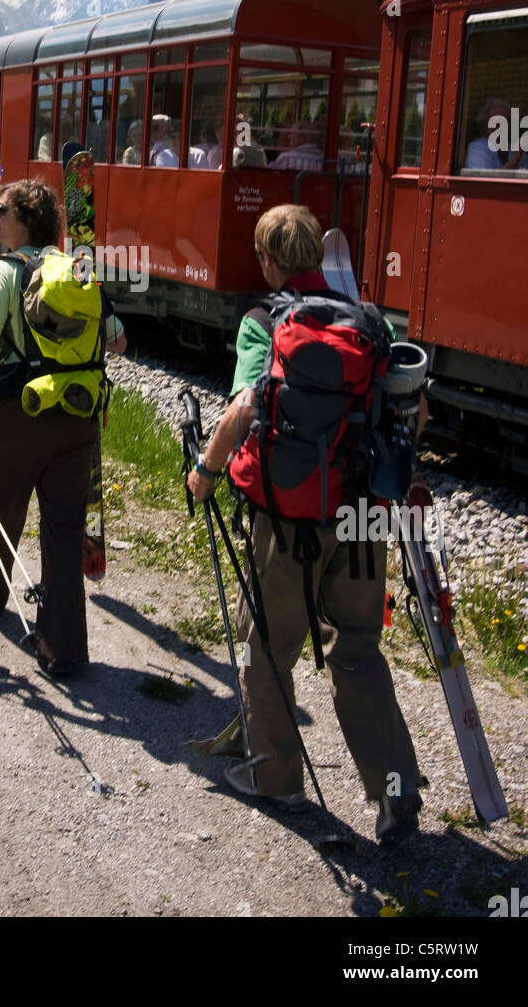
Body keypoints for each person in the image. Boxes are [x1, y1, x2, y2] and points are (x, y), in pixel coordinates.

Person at [187, 204, 422, 842]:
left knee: (270, 645)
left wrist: (206, 472)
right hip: (360, 517)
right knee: (358, 651)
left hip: (286, 515)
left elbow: (242, 407)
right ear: (319, 255)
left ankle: (277, 781)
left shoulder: (266, 321)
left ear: (268, 260)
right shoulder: (370, 323)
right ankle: (397, 791)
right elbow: (405, 416)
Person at [0, 180, 126, 677]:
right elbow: (120, 341)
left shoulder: (4, 270)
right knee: (63, 532)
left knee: (1, 508)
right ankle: (62, 651)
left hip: (21, 413)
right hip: (78, 421)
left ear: (25, 222)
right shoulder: (80, 270)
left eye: (1, 210)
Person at [463, 96, 528, 172]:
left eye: (504, 120)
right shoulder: (477, 148)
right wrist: (514, 160)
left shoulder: (513, 148)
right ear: (484, 123)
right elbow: (485, 182)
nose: (499, 125)